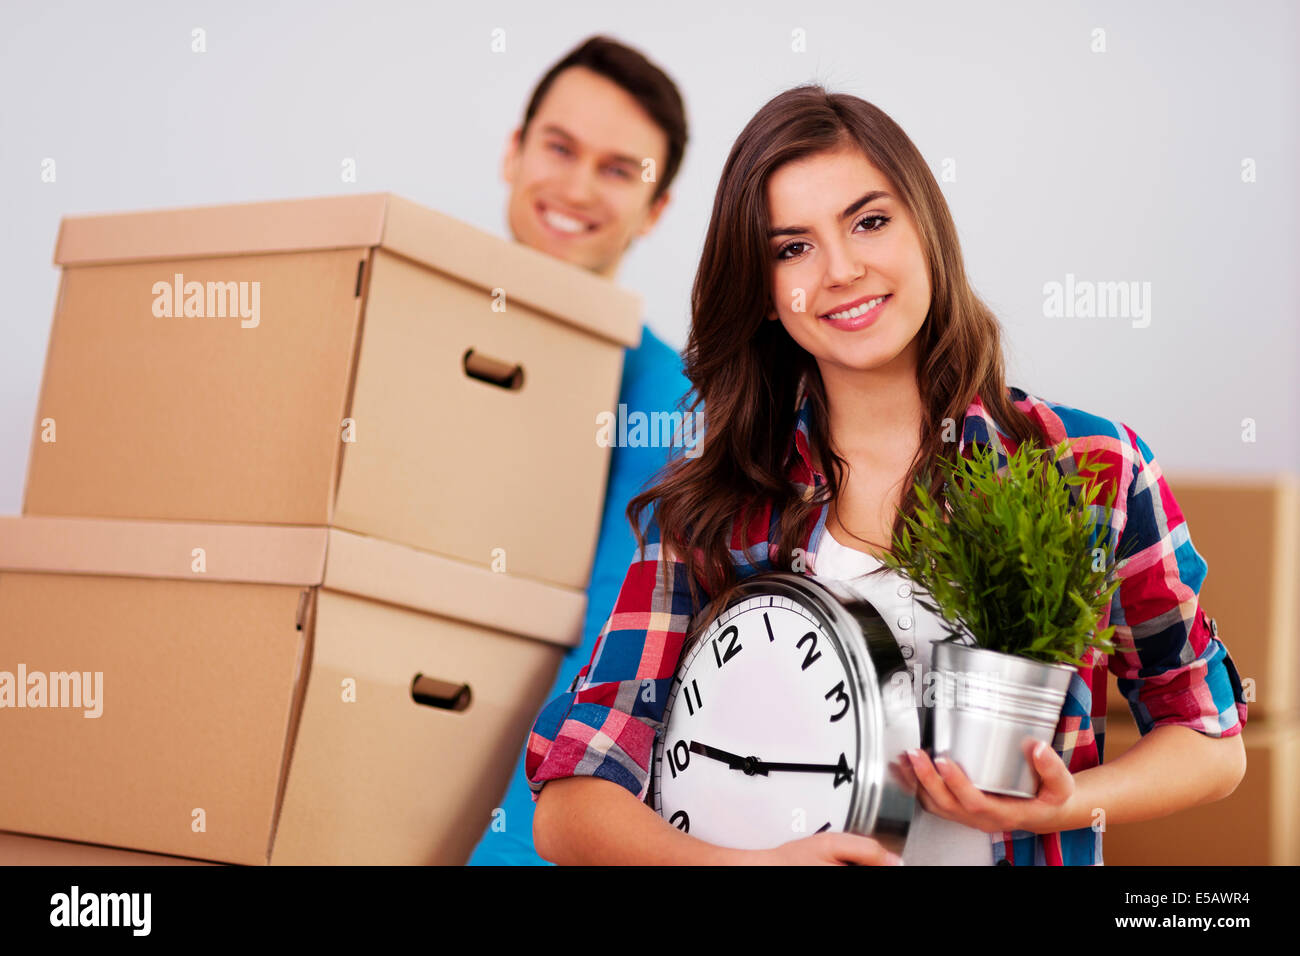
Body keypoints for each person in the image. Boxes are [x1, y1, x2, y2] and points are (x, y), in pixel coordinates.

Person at [526, 84, 1249, 866]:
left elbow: (1210, 739)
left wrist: (1072, 802)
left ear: (926, 232)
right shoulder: (714, 505)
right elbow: (571, 806)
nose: (841, 269)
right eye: (792, 247)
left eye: (870, 221)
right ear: (767, 294)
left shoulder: (1091, 469)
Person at [465, 35, 692, 866]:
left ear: (656, 207)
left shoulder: (676, 415)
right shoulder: (399, 338)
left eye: (618, 168)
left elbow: (606, 677)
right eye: (558, 148)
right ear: (513, 151)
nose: (575, 187)